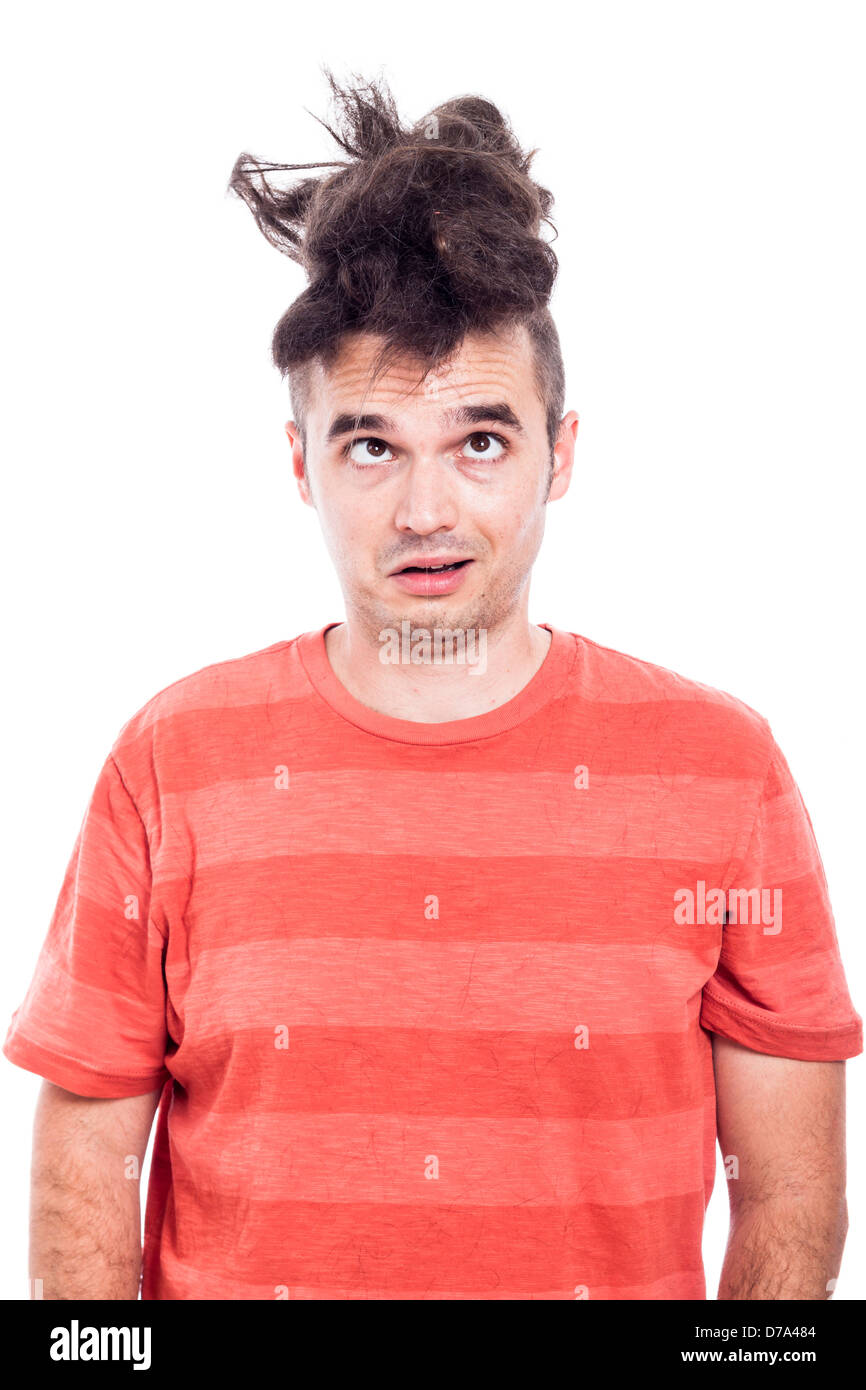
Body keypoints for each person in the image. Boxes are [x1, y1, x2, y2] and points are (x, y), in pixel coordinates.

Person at [5, 74, 861, 1302]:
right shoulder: (171, 758)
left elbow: (787, 1192)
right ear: (301, 463)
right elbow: (84, 1160)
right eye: (370, 444)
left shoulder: (721, 767)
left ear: (558, 453)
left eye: (479, 440)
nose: (423, 512)